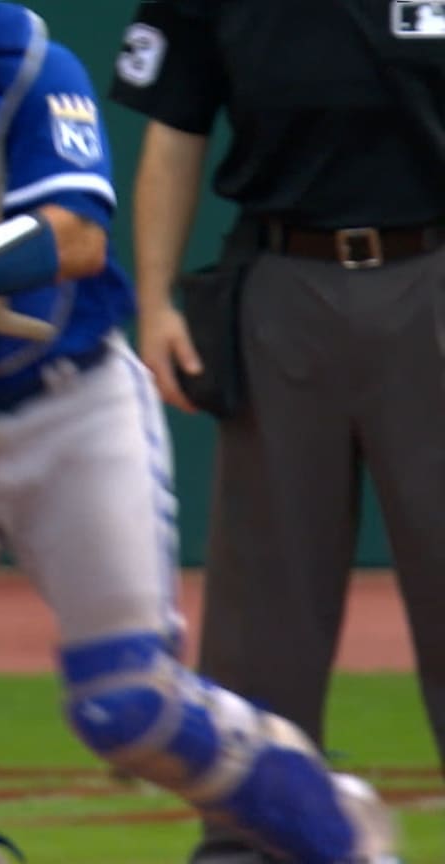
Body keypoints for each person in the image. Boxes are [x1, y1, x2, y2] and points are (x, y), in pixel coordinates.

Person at [0, 2, 400, 862]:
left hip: (73, 409)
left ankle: (343, 836)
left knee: (130, 707)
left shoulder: (13, 60)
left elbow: (78, 236)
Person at [109, 0, 445, 861]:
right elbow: (176, 130)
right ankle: (246, 838)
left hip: (434, 276)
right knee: (264, 614)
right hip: (284, 285)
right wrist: (154, 303)